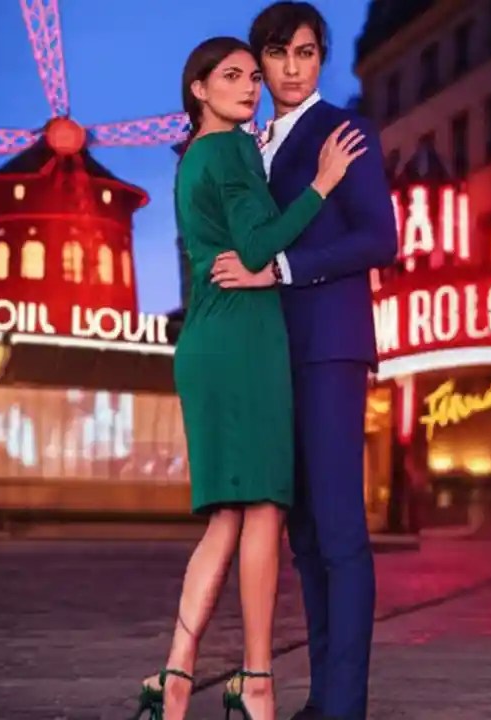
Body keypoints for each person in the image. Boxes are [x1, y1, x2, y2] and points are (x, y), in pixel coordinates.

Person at [134, 35, 366, 720]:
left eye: (251, 78)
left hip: (207, 340)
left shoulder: (191, 159)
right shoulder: (231, 149)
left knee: (226, 520)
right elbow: (261, 242)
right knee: (262, 510)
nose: (251, 86)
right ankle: (255, 683)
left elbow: (232, 233)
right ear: (198, 89)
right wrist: (322, 184)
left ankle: (176, 680)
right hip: (244, 340)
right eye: (231, 76)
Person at [210, 5, 399, 718]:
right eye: (279, 54)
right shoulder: (251, 142)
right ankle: (325, 697)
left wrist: (283, 268)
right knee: (306, 534)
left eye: (307, 53)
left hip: (327, 348)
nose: (293, 68)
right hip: (270, 355)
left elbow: (379, 238)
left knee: (341, 529)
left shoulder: (343, 132)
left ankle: (343, 706)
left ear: (321, 60)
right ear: (260, 60)